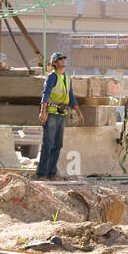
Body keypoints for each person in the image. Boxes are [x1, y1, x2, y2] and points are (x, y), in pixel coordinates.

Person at [36, 52, 84, 180]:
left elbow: (71, 97)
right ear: (55, 63)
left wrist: (78, 112)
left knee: (57, 145)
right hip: (51, 113)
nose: (63, 60)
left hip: (62, 113)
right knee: (48, 144)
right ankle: (42, 174)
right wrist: (43, 111)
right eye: (60, 59)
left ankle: (51, 173)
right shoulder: (52, 77)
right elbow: (45, 94)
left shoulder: (67, 78)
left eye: (63, 59)